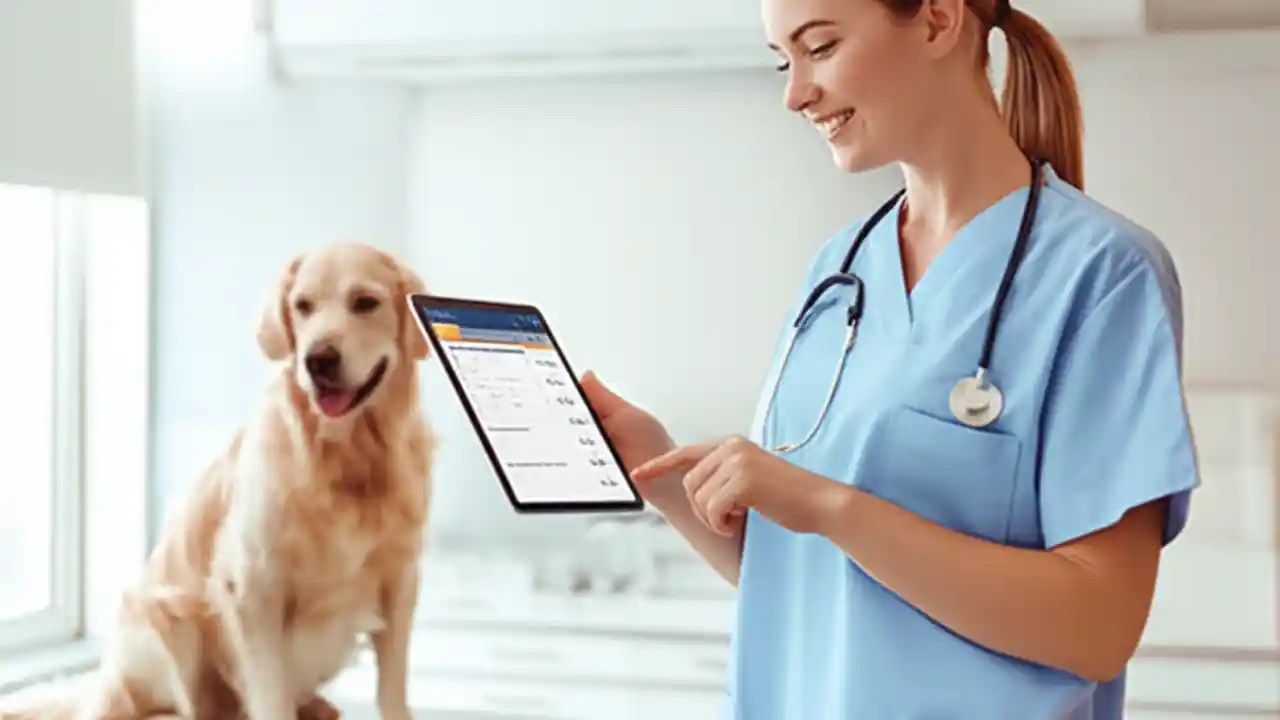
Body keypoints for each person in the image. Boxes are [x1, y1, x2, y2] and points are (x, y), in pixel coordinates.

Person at [579, 0, 1202, 718]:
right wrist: (662, 475)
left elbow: (1097, 628)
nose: (794, 93)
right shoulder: (837, 273)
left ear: (938, 19)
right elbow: (806, 579)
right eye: (785, 60)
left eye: (820, 47)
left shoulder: (1101, 274)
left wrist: (827, 505)